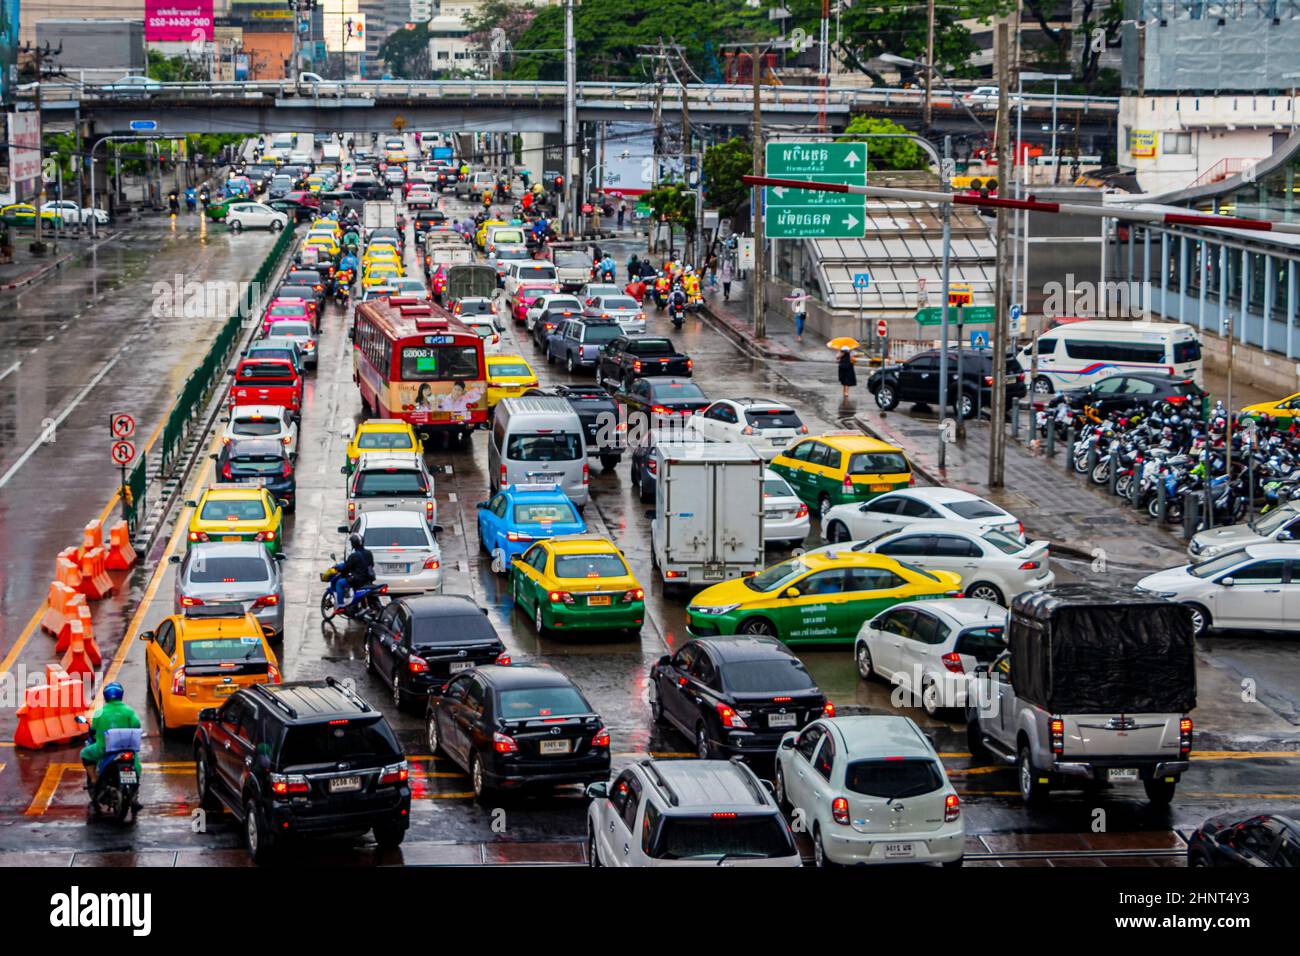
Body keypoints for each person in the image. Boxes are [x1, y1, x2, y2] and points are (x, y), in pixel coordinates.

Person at [80, 682, 141, 792]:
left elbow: (93, 730)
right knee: (135, 762)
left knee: (85, 753)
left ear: (105, 696)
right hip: (126, 748)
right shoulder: (128, 711)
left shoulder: (100, 712)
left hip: (104, 748)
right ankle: (135, 795)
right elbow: (137, 725)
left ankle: (94, 780)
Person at [330, 533, 375, 608]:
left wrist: (338, 568)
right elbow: (371, 564)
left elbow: (346, 567)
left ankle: (340, 605)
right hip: (367, 579)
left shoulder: (354, 555)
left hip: (357, 580)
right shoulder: (369, 553)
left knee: (339, 583)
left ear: (353, 544)